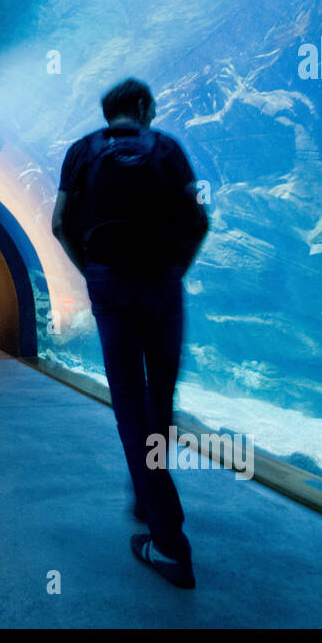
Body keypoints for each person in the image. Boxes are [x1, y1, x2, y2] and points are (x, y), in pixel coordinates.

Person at [52, 77, 208, 589]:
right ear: (142, 107)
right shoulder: (166, 148)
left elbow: (59, 223)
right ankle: (156, 516)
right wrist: (176, 270)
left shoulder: (82, 151)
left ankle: (163, 533)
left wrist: (91, 270)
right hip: (162, 283)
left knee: (130, 409)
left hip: (110, 285)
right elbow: (198, 219)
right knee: (159, 403)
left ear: (109, 111)